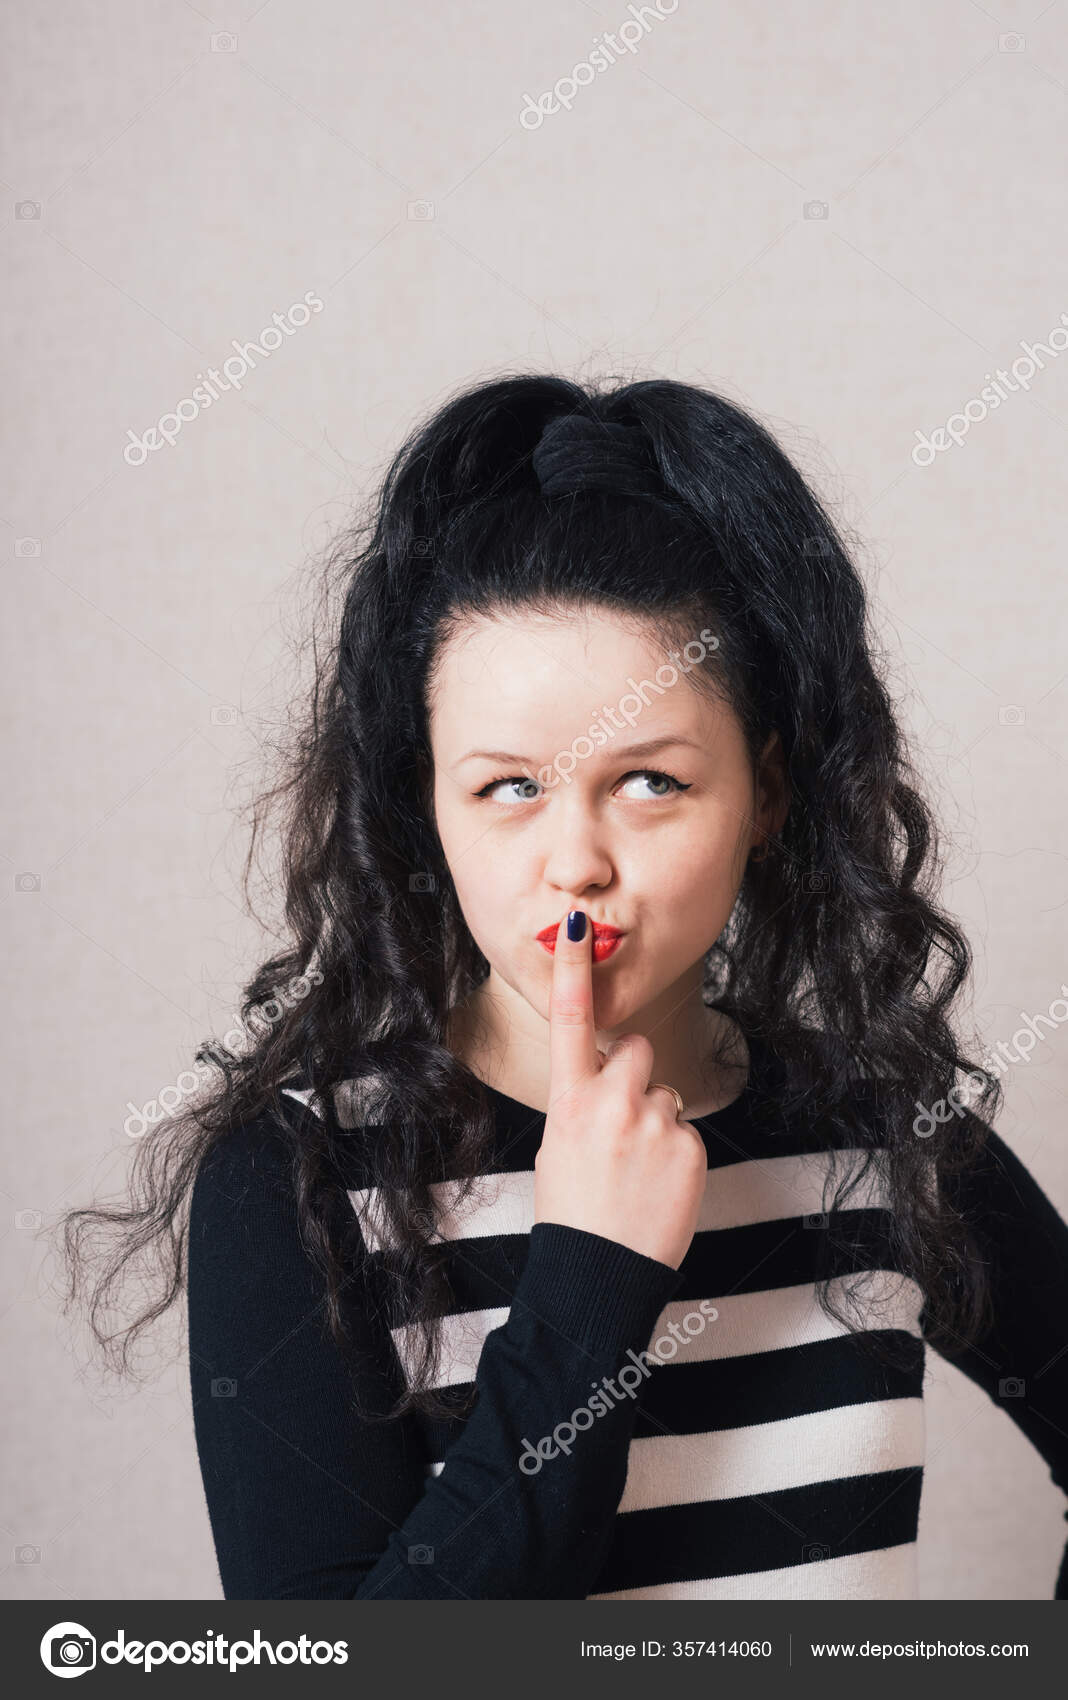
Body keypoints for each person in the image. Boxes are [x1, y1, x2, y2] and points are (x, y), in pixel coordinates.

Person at [59, 375, 1068, 1599]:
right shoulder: (297, 1177)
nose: (577, 860)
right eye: (509, 787)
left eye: (652, 781)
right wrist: (592, 1275)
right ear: (425, 811)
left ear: (768, 796)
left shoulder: (883, 1130)